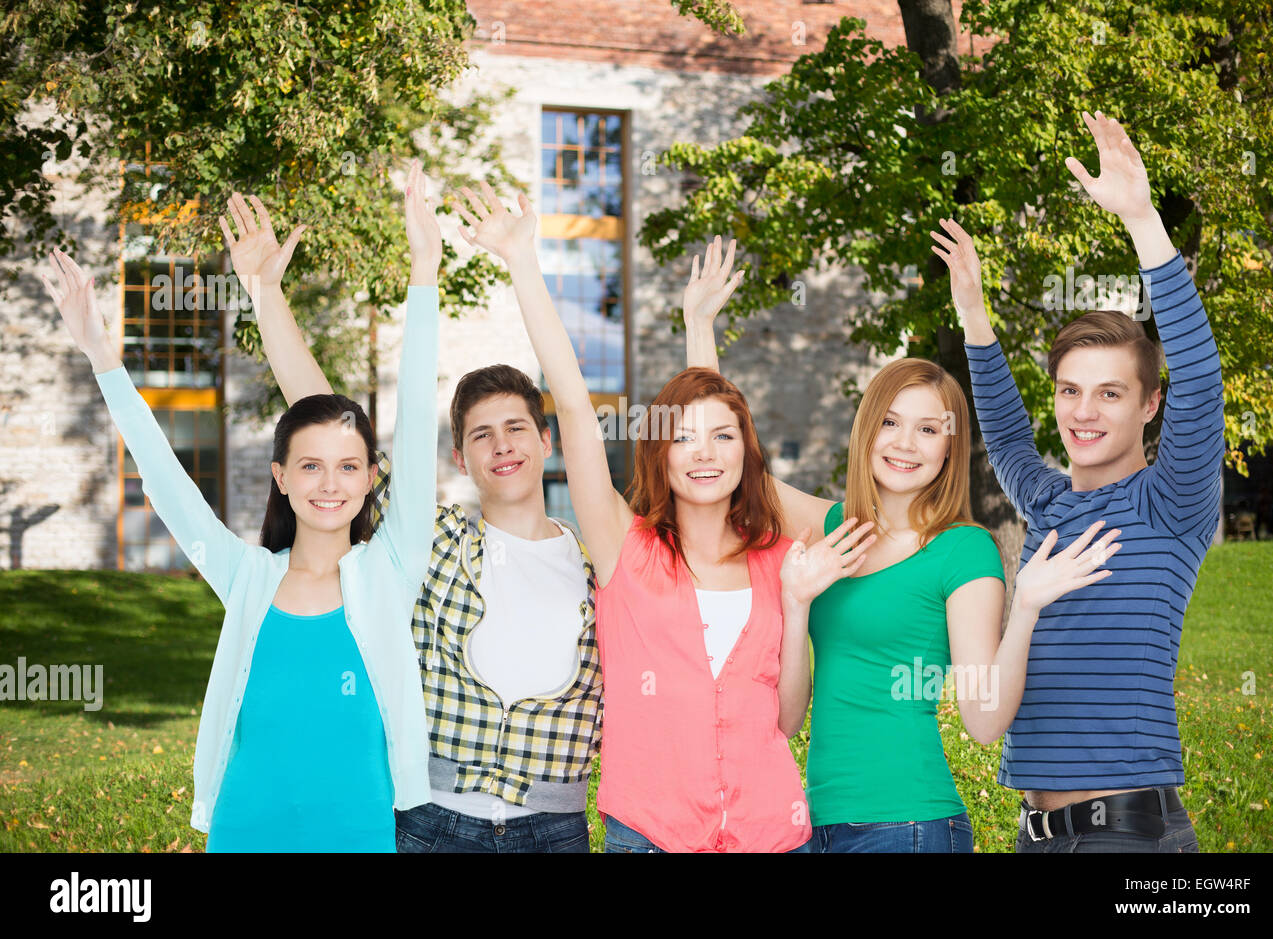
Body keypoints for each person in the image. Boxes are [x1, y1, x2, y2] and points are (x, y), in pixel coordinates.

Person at [449, 184, 876, 853]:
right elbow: (576, 406)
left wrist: (797, 607)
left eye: (725, 440)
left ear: (748, 454)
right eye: (683, 439)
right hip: (650, 837)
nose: (704, 454)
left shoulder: (777, 562)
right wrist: (523, 264)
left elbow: (787, 721)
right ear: (660, 453)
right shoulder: (627, 550)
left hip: (773, 836)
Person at [38, 161, 441, 851]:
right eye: (310, 465)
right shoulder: (250, 578)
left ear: (372, 477)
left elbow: (421, 407)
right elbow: (168, 486)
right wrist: (100, 350)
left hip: (360, 833)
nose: (330, 483)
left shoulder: (391, 569)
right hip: (244, 829)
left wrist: (425, 272)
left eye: (348, 467)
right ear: (280, 477)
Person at [685, 238, 1120, 853]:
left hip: (910, 825)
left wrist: (1025, 609)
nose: (905, 443)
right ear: (867, 430)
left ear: (949, 448)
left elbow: (984, 721)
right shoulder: (833, 527)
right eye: (890, 421)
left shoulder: (962, 551)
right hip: (816, 823)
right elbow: (734, 473)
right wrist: (700, 327)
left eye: (928, 429)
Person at [233, 176, 600, 853]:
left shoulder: (595, 558)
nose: (502, 446)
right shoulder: (430, 540)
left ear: (545, 443)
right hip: (435, 824)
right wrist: (266, 294)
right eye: (481, 435)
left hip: (555, 829)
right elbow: (328, 424)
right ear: (460, 457)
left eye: (516, 428)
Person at [931, 110, 1225, 852]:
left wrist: (1142, 219)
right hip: (1037, 835)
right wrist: (973, 313)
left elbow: (1202, 374)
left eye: (1110, 392)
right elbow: (1001, 430)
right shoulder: (1049, 502)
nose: (1083, 412)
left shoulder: (1172, 500)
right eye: (1069, 390)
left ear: (1150, 404)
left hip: (1125, 834)